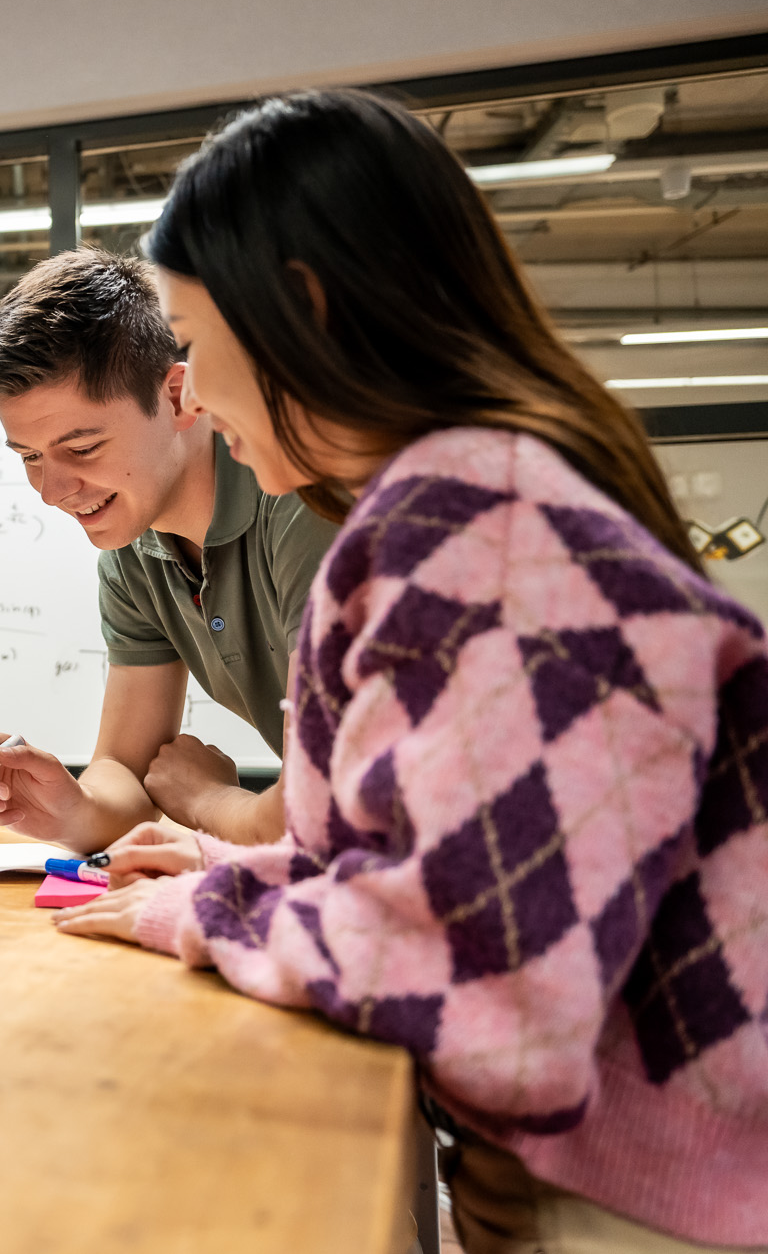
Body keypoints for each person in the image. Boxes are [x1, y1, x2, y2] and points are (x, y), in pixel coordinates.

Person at [58, 89, 768, 1252]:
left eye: (187, 344)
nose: (187, 393)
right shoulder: (471, 503)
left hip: (652, 1207)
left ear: (300, 309)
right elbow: (460, 858)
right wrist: (257, 868)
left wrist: (216, 907)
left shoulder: (480, 530)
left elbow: (490, 989)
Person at [0, 249, 338, 851]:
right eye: (29, 456)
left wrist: (205, 799)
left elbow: (318, 815)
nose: (52, 491)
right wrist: (67, 808)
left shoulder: (303, 500)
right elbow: (125, 773)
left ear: (178, 397)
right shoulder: (133, 549)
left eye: (82, 448)